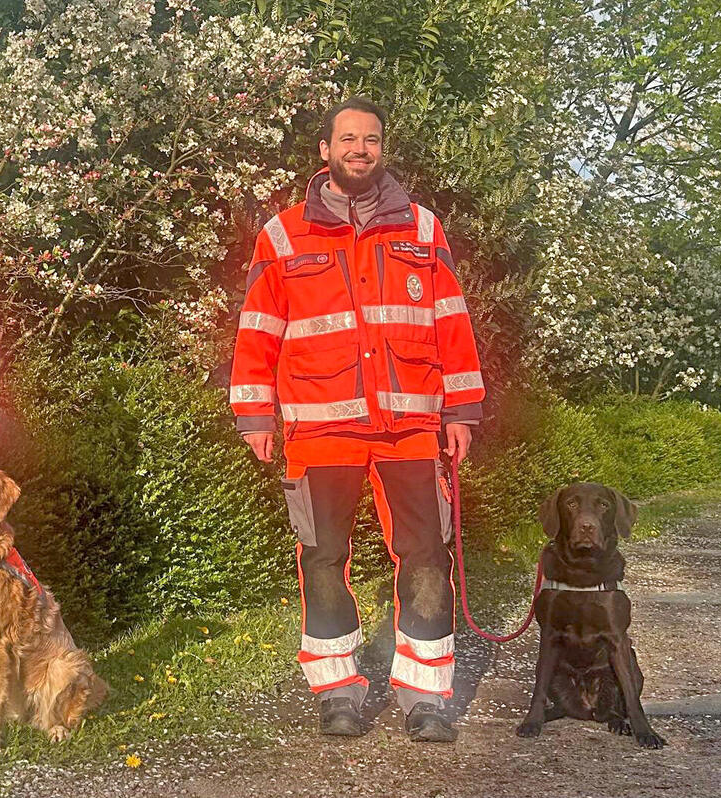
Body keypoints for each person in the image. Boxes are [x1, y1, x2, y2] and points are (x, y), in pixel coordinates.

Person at [229, 98, 485, 742]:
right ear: (325, 150)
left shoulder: (423, 229)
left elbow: (451, 322)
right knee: (322, 557)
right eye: (348, 138)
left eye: (371, 139)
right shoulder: (283, 234)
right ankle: (337, 686)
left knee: (426, 555)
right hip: (320, 429)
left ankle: (427, 693)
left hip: (413, 426)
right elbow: (258, 329)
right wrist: (255, 413)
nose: (360, 149)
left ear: (382, 149)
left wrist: (462, 407)